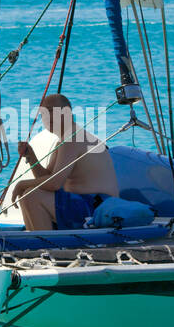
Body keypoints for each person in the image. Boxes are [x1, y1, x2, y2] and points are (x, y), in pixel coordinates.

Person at [13, 93, 119, 231]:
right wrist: (31, 156)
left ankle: (45, 242)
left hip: (100, 208)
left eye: (51, 111)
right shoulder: (65, 140)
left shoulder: (73, 137)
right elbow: (46, 178)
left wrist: (21, 184)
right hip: (87, 203)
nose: (46, 117)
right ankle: (37, 238)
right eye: (43, 114)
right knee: (27, 193)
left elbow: (54, 183)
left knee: (31, 195)